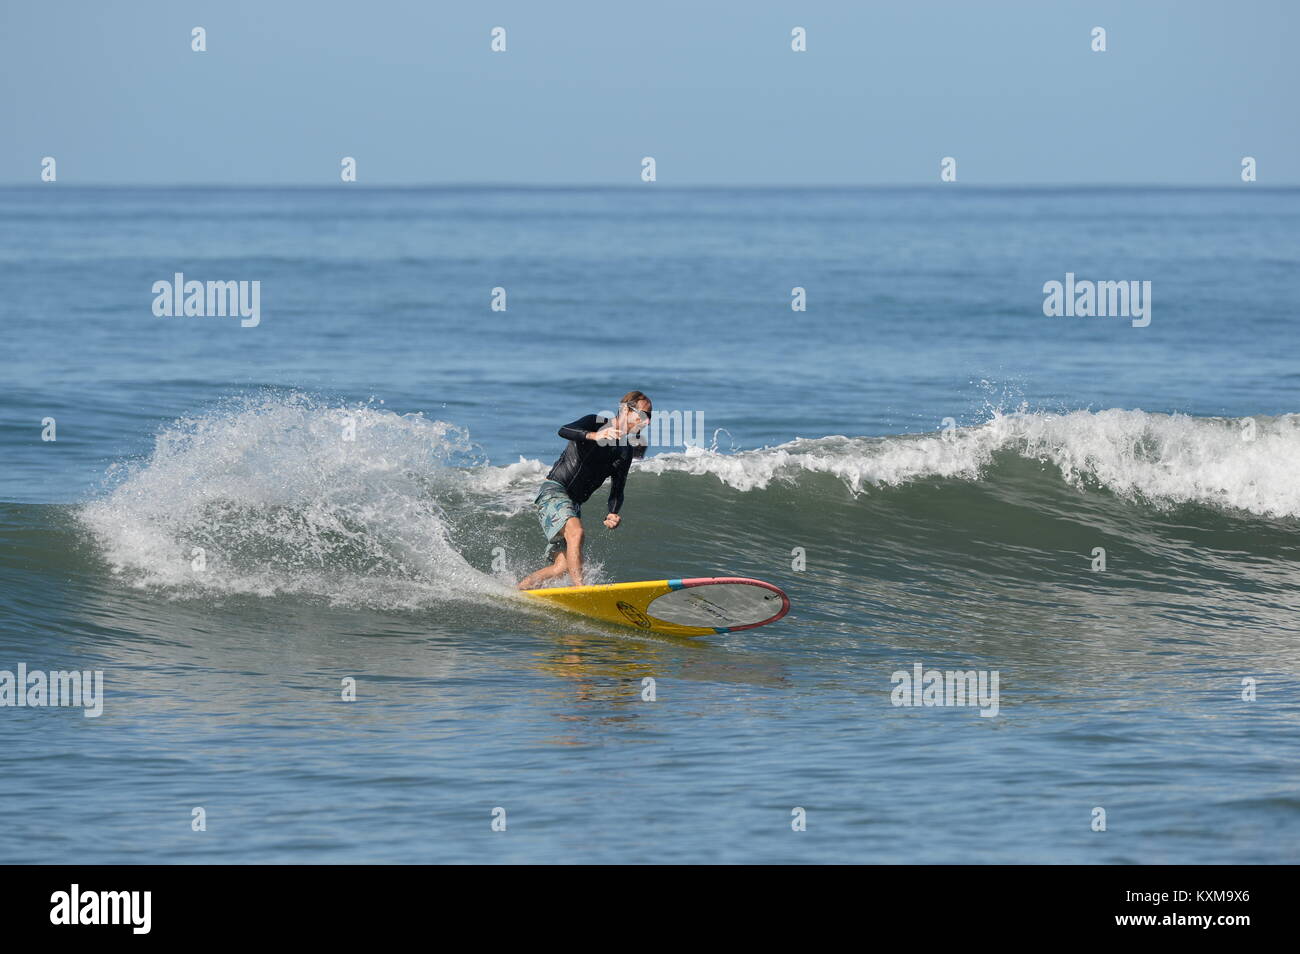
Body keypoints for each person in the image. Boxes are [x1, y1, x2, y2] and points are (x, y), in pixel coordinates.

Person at [517, 391, 652, 589]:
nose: (646, 422)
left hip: (573, 504)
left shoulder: (625, 450)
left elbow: (618, 487)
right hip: (554, 491)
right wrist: (594, 435)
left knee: (561, 567)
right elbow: (564, 430)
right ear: (625, 410)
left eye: (649, 417)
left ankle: (521, 590)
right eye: (642, 415)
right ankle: (580, 589)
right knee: (577, 533)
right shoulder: (595, 422)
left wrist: (613, 512)